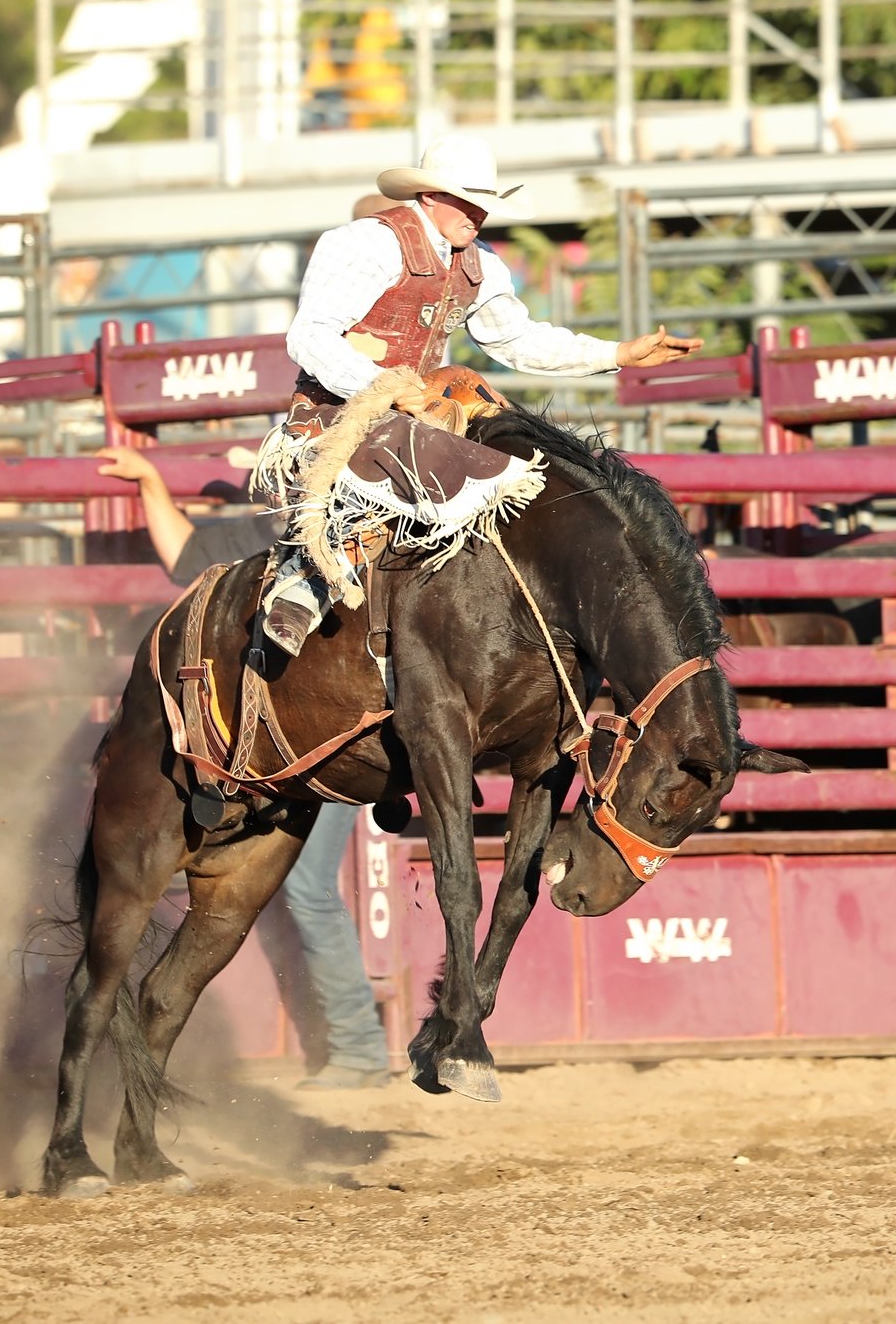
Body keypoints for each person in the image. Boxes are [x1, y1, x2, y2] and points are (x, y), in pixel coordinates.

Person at [256, 132, 702, 652]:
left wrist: (616, 355)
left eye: (483, 205)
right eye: (467, 202)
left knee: (533, 457)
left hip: (423, 412)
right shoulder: (364, 243)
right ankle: (306, 576)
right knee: (422, 459)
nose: (477, 215)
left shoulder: (479, 263)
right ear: (428, 196)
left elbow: (515, 338)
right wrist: (388, 390)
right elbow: (309, 337)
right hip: (339, 412)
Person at [95, 443, 391, 1090]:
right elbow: (184, 554)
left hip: (327, 748)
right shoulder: (261, 535)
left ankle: (359, 1049)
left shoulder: (347, 533)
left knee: (308, 890)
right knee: (292, 888)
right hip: (271, 752)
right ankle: (353, 1048)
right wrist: (149, 478)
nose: (290, 482)